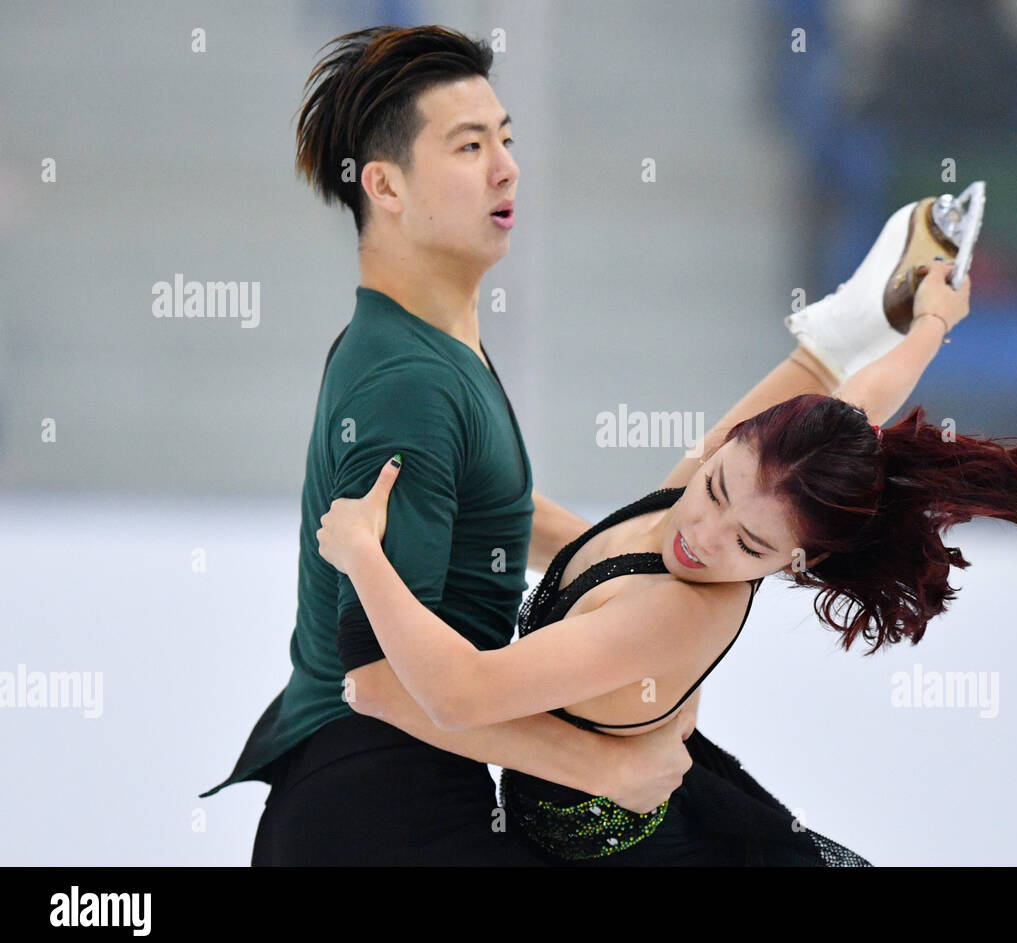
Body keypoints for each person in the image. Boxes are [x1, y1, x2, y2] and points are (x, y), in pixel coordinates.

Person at [197, 23, 911, 866]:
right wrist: (603, 763)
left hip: (394, 801)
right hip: (382, 817)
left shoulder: (429, 346)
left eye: (505, 139)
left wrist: (650, 595)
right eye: (468, 147)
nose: (506, 168)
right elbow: (379, 678)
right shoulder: (409, 385)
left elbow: (508, 515)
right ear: (384, 186)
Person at [315, 249, 1017, 864]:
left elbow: (456, 696)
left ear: (797, 563)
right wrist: (930, 321)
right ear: (727, 439)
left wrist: (363, 557)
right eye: (714, 488)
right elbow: (857, 394)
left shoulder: (672, 612)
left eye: (751, 546)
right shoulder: (757, 473)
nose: (705, 537)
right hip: (654, 791)